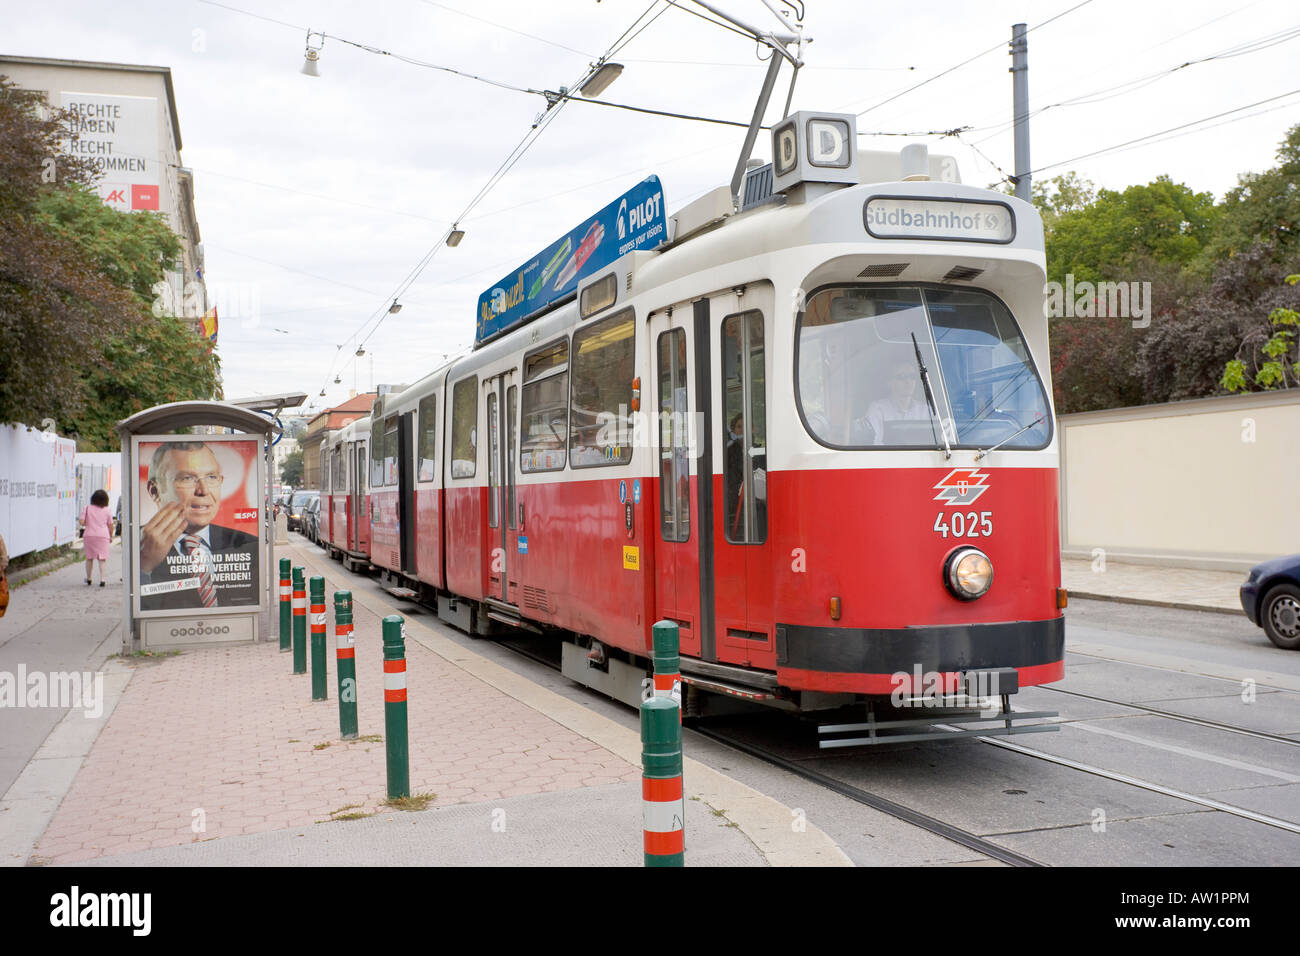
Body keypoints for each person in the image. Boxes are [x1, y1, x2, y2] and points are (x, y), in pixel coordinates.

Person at [139, 441, 259, 611]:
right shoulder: (139, 547)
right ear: (155, 491)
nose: (203, 490)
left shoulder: (248, 543)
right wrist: (143, 568)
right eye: (187, 478)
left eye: (211, 477)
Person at [862, 361, 932, 445]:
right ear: (889, 382)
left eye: (912, 377)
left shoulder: (925, 410)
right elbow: (874, 444)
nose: (908, 381)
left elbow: (933, 441)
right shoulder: (878, 409)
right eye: (902, 377)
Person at [79, 489, 114, 586]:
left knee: (89, 558)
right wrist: (110, 536)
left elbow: (81, 521)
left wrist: (88, 522)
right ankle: (102, 579)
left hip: (89, 535)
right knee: (102, 559)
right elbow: (110, 525)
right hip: (103, 536)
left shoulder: (87, 508)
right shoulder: (107, 510)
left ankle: (89, 578)